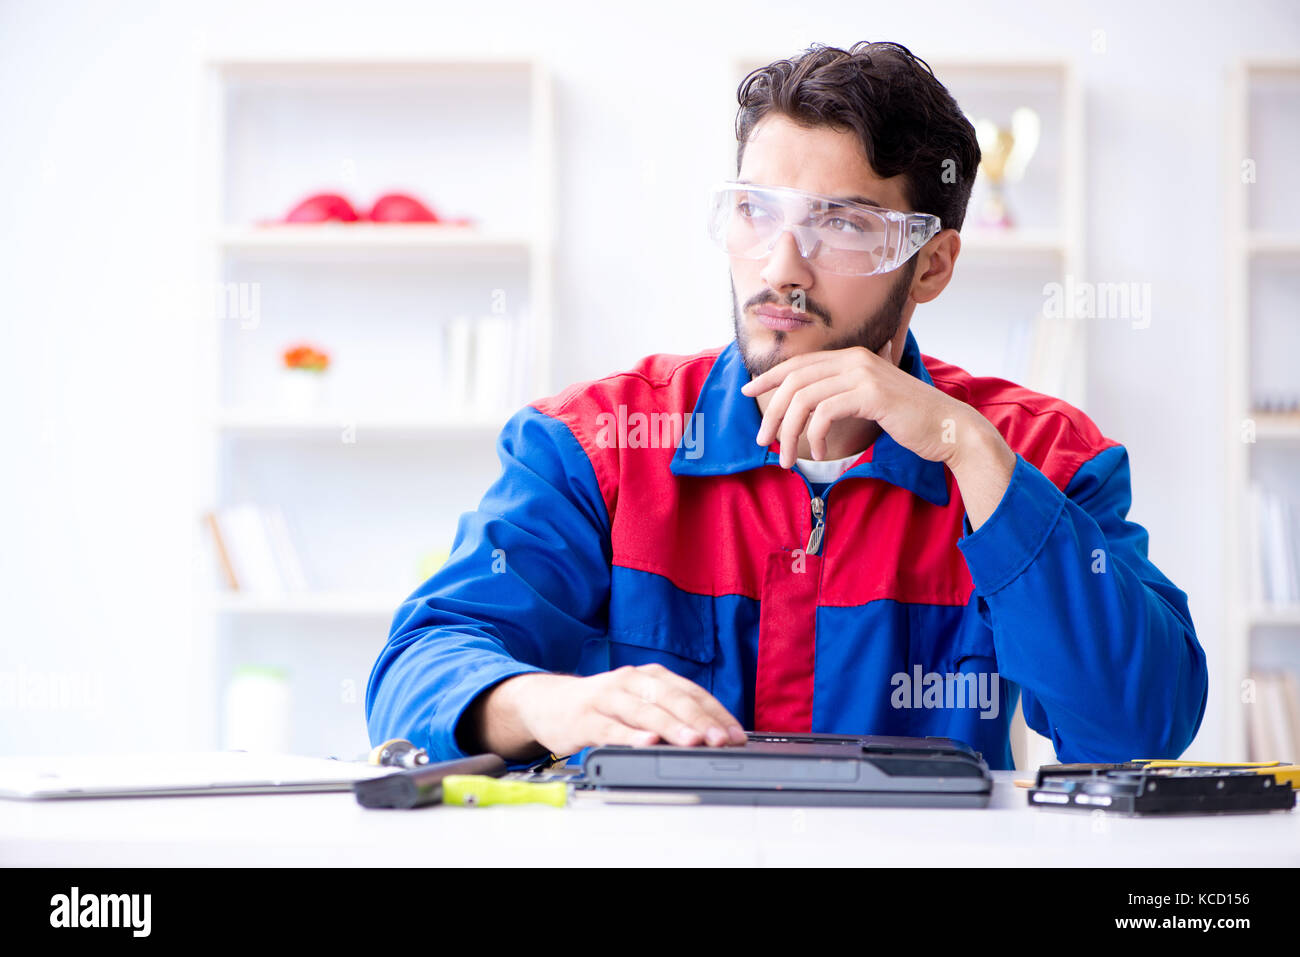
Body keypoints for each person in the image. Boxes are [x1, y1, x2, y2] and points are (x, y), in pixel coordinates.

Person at [365, 40, 1208, 770]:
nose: (782, 266)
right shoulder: (598, 445)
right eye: (755, 212)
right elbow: (417, 669)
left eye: (841, 224)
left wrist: (969, 451)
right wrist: (548, 705)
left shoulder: (1040, 455)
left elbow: (1135, 727)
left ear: (932, 266)